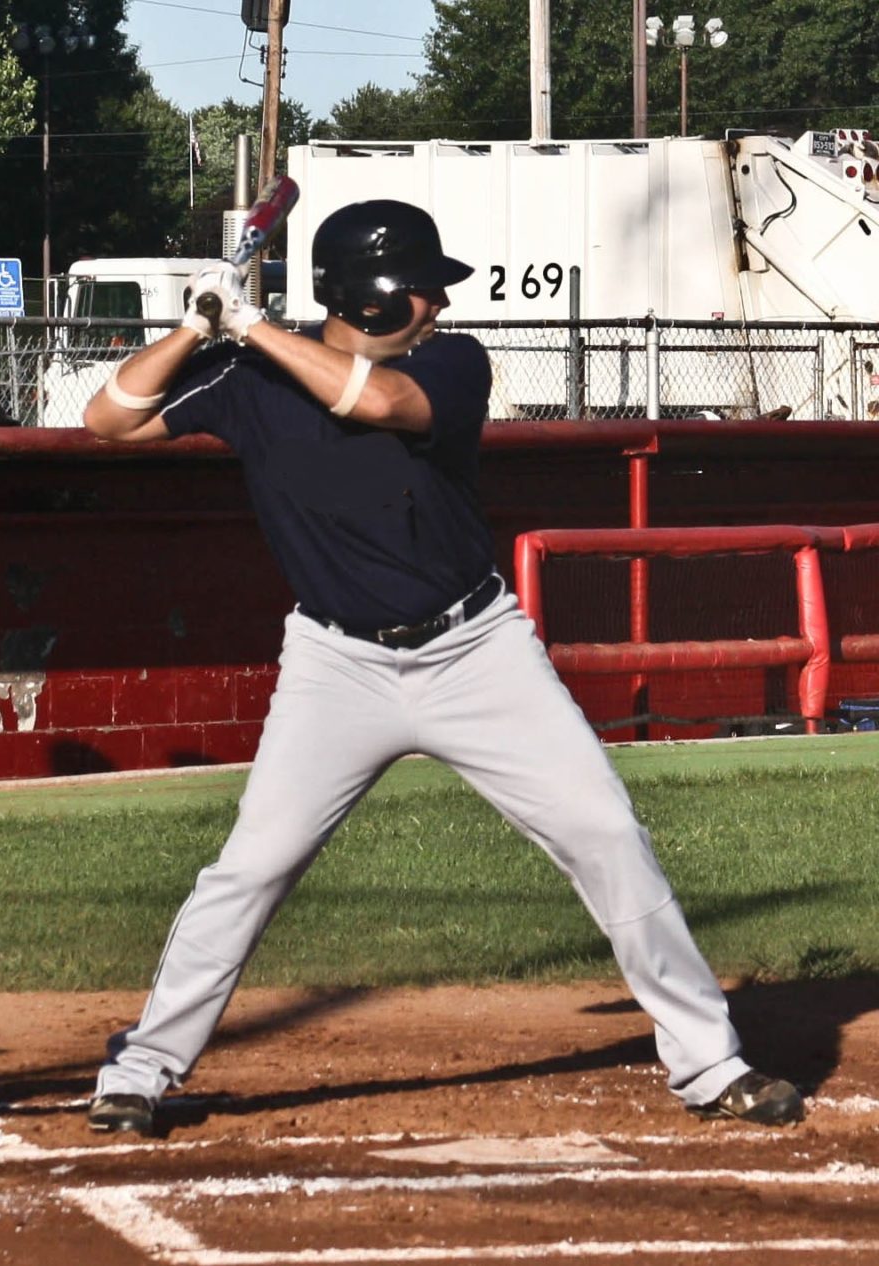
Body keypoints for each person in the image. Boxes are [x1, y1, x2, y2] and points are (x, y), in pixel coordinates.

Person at [81, 199, 803, 1138]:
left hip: (476, 651)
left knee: (604, 833)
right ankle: (141, 1069)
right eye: (424, 288)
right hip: (335, 664)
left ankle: (711, 1063)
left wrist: (252, 323)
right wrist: (194, 324)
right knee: (251, 867)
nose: (437, 305)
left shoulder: (449, 367)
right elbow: (110, 419)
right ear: (374, 295)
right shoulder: (243, 379)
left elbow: (374, 402)